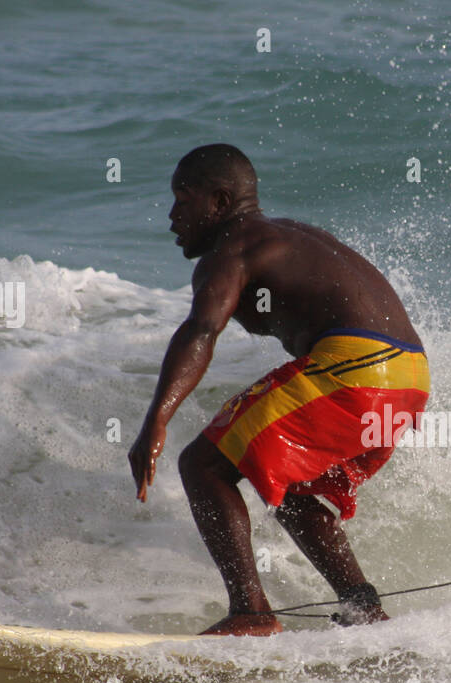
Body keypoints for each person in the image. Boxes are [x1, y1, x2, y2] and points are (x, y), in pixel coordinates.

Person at [128, 144, 429, 636]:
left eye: (184, 199)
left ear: (220, 203)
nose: (172, 215)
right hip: (410, 377)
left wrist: (156, 420)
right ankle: (363, 610)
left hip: (360, 368)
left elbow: (201, 331)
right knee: (289, 483)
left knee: (202, 465)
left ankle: (251, 613)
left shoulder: (235, 248)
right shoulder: (288, 235)